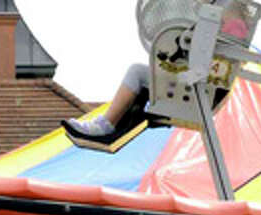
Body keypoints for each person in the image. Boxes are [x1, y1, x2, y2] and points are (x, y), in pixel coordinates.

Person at [61, 1, 251, 149]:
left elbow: (223, 64)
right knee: (145, 74)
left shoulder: (233, 27)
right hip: (198, 84)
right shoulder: (229, 25)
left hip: (199, 88)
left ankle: (106, 124)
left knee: (136, 72)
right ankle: (111, 123)